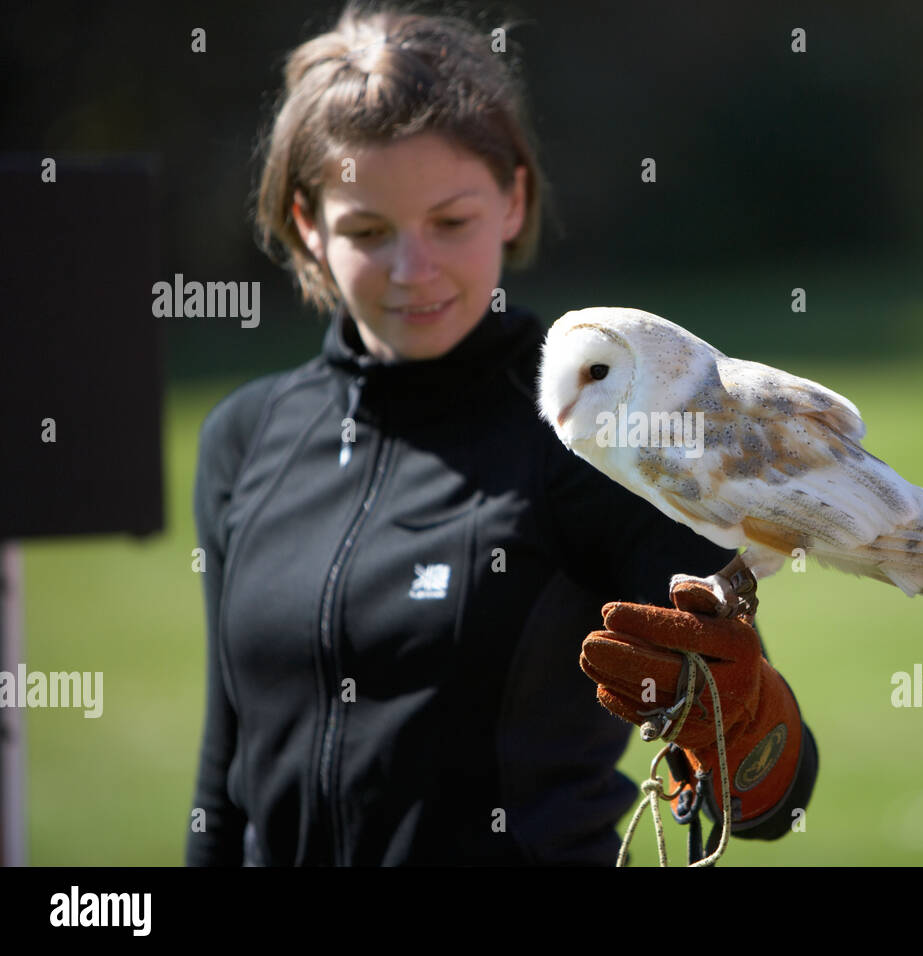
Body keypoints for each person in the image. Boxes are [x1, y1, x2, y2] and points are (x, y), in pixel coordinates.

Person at [186, 3, 817, 866]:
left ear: (514, 199)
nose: (416, 270)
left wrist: (740, 727)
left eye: (451, 222)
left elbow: (772, 796)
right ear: (307, 225)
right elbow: (224, 785)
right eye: (368, 232)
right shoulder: (243, 438)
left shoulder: (601, 432)